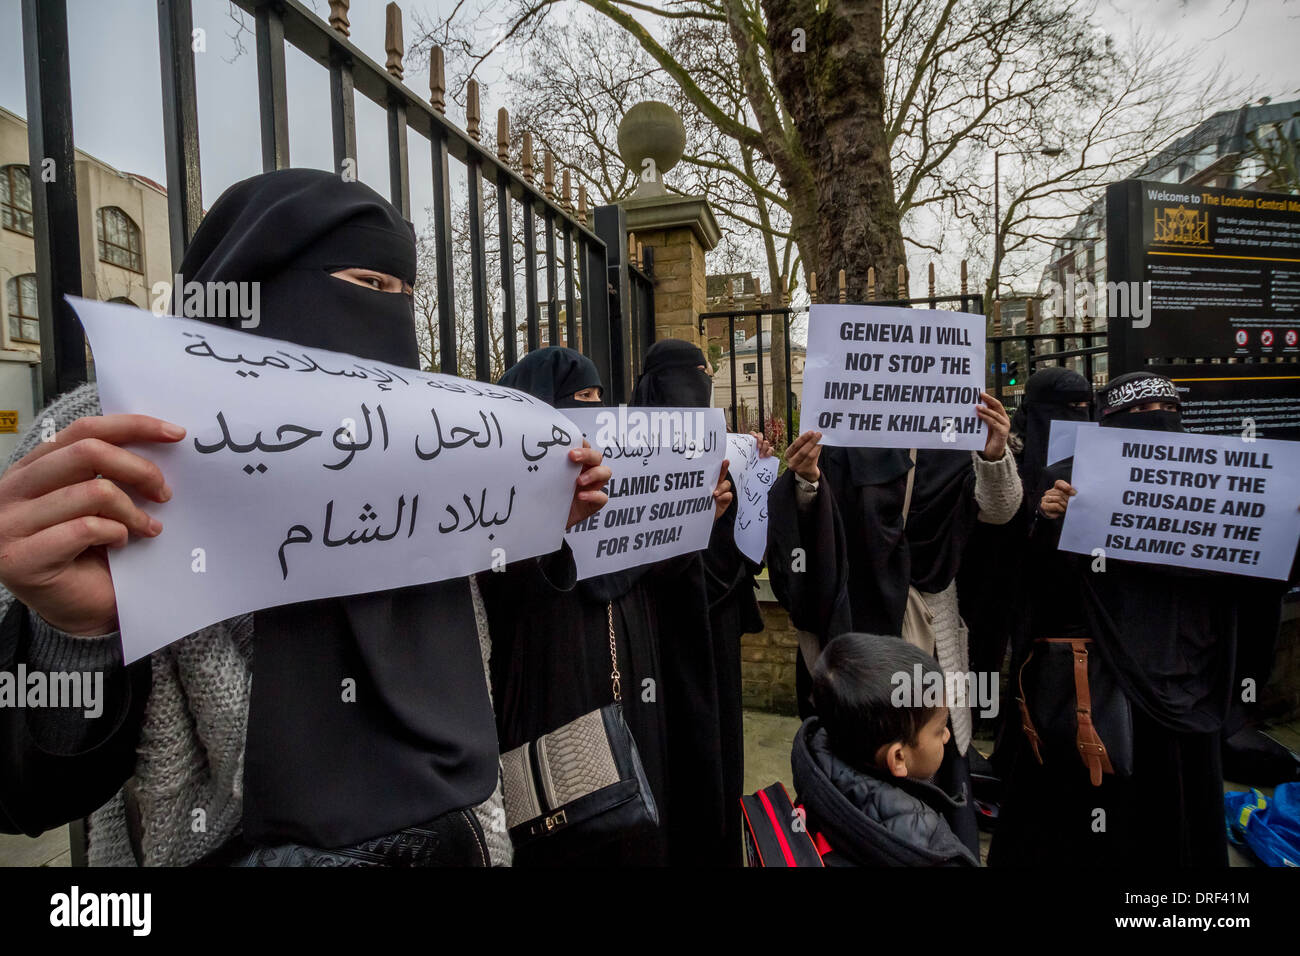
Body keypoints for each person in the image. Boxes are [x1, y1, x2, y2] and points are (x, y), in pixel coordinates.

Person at [0, 169, 609, 867]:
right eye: (370, 285)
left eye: (407, 292)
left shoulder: (435, 434)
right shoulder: (104, 440)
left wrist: (534, 521)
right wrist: (71, 633)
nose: (394, 311)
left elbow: (483, 642)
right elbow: (30, 791)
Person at [988, 371, 1283, 867]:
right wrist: (1050, 522)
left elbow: (1250, 580)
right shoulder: (1067, 474)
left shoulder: (1216, 480)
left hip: (1190, 679)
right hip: (1104, 687)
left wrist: (1276, 523)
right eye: (1140, 414)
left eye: (1166, 409)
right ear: (1109, 420)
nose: (1157, 421)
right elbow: (1034, 589)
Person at [767, 388, 1021, 852]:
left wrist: (995, 456)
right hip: (849, 638)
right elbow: (804, 536)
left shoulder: (950, 444)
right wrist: (804, 480)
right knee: (857, 772)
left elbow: (999, 511)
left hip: (929, 633)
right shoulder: (838, 439)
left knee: (935, 759)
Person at [629, 336, 769, 865]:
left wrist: (754, 487)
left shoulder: (728, 452)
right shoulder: (631, 456)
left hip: (719, 632)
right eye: (692, 374)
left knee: (717, 757)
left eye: (706, 375)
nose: (700, 387)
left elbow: (749, 549)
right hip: (662, 639)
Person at [790, 632, 979, 866]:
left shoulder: (817, 764)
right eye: (939, 729)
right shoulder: (931, 849)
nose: (947, 736)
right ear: (899, 757)